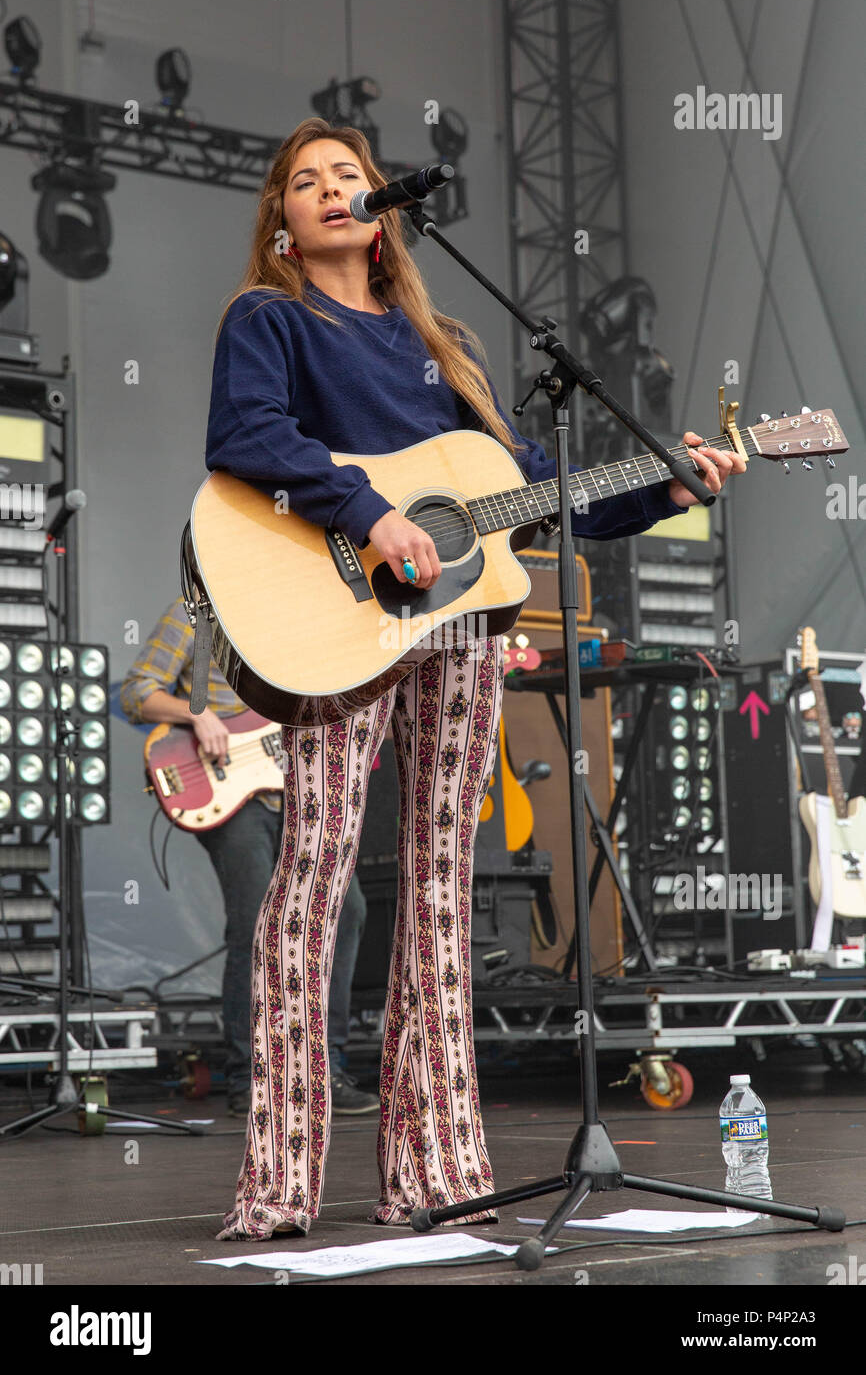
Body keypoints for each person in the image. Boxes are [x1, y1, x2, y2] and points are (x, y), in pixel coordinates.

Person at [204, 116, 745, 1240]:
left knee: (439, 895)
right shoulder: (269, 318)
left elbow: (529, 480)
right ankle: (277, 1184)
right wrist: (370, 512)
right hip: (332, 619)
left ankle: (435, 1171)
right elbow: (246, 433)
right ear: (283, 225)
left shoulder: (435, 338)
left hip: (450, 631)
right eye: (304, 183)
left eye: (348, 175)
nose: (330, 190)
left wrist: (664, 484)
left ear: (383, 205)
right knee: (310, 878)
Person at [119, 597, 378, 1116]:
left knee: (347, 912)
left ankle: (327, 1069)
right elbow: (135, 692)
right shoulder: (196, 613)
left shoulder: (304, 618)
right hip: (229, 792)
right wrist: (197, 713)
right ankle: (251, 1078)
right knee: (258, 922)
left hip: (305, 791)